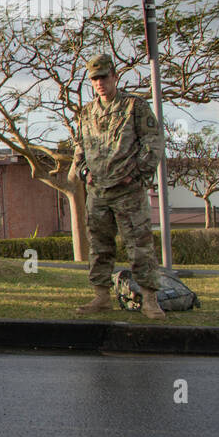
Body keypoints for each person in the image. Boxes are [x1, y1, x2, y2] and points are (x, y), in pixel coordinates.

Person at [71, 54, 166, 320]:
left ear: (114, 76)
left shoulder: (134, 106)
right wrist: (83, 172)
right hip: (98, 191)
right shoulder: (87, 112)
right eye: (94, 79)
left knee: (139, 245)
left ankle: (149, 299)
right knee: (99, 247)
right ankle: (101, 297)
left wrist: (135, 174)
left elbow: (153, 141)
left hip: (128, 191)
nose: (99, 82)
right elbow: (80, 147)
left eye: (103, 77)